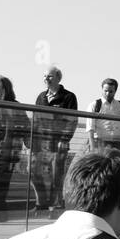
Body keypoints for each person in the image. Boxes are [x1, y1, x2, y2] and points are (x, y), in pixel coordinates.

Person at [31, 66, 79, 216]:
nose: (46, 78)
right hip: (42, 142)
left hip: (59, 142)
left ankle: (57, 204)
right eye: (45, 76)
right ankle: (42, 203)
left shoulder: (69, 97)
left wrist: (64, 139)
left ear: (58, 78)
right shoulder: (41, 97)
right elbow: (36, 119)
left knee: (56, 174)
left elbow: (72, 121)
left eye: (50, 76)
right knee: (34, 171)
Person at [0, 76, 31, 222]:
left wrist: (28, 144)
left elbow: (26, 127)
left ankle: (0, 216)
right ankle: (0, 216)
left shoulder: (15, 106)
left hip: (7, 153)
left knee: (1, 186)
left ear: (6, 89)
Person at [87, 78, 120, 151]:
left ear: (115, 91)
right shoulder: (94, 105)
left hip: (117, 143)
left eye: (111, 91)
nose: (108, 93)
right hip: (100, 142)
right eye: (105, 91)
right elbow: (90, 128)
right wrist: (92, 147)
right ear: (102, 89)